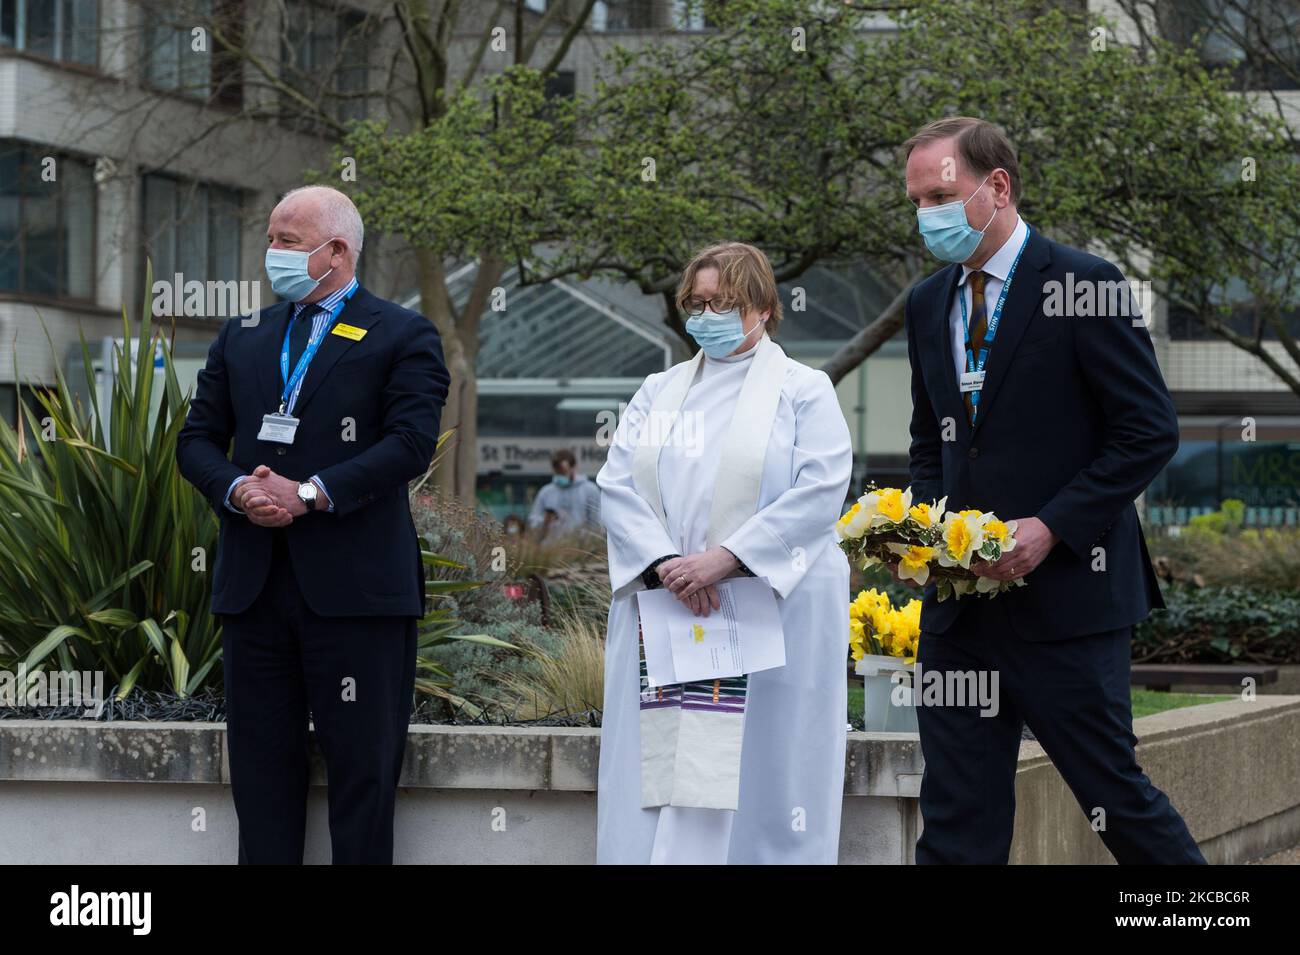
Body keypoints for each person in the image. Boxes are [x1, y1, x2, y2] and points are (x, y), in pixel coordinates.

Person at [901, 117, 1205, 864]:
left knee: (1118, 801)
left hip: (1069, 602)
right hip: (959, 615)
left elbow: (1147, 431)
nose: (925, 216)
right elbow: (929, 437)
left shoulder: (1086, 284)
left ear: (996, 187)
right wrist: (931, 538)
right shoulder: (924, 303)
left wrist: (1052, 527)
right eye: (914, 201)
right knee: (954, 824)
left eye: (941, 194)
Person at [176, 185, 450, 864]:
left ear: (337, 251)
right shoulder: (243, 335)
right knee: (263, 784)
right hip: (255, 589)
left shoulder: (402, 333)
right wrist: (238, 489)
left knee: (362, 782)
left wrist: (312, 492)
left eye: (288, 241)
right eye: (270, 238)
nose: (273, 253)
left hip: (357, 595)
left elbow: (411, 443)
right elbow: (196, 439)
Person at [595, 241, 853, 864]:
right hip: (670, 604)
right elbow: (617, 483)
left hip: (767, 609)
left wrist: (728, 558)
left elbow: (821, 487)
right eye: (698, 302)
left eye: (724, 302)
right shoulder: (660, 391)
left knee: (764, 765)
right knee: (665, 770)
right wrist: (665, 566)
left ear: (764, 307)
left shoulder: (802, 389)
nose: (706, 313)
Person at [527, 449, 601, 537]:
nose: (561, 474)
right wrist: (545, 521)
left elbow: (597, 523)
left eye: (564, 471)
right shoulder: (546, 492)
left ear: (573, 467)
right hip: (552, 548)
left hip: (579, 546)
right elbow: (533, 521)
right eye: (558, 471)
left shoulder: (590, 490)